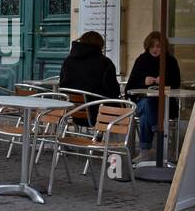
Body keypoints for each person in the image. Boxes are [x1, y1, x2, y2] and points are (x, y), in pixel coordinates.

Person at [125, 30, 182, 159]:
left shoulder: (170, 61)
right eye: (153, 46)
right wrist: (143, 81)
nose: (155, 49)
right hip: (141, 102)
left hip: (165, 105)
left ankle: (145, 151)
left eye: (159, 46)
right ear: (148, 46)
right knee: (146, 103)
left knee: (145, 115)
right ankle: (157, 128)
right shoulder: (141, 60)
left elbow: (176, 83)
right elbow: (129, 87)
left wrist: (165, 81)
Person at [58, 31, 120, 117]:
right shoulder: (104, 62)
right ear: (100, 45)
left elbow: (62, 85)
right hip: (99, 114)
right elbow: (113, 91)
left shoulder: (68, 60)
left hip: (72, 112)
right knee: (125, 108)